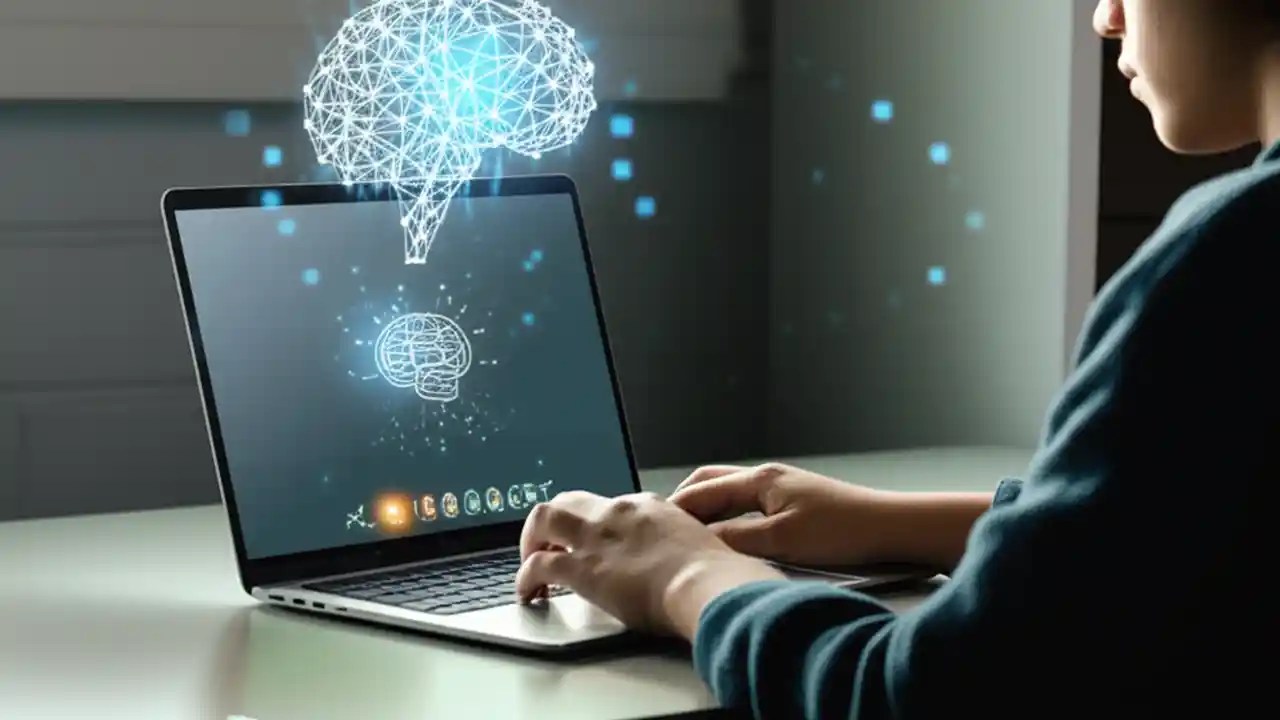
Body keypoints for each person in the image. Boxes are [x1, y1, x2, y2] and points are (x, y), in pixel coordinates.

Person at [515, 1, 1277, 716]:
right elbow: (1191, 538)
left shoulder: (1233, 260)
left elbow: (919, 695)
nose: (1106, 19)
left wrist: (686, 576)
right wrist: (901, 524)